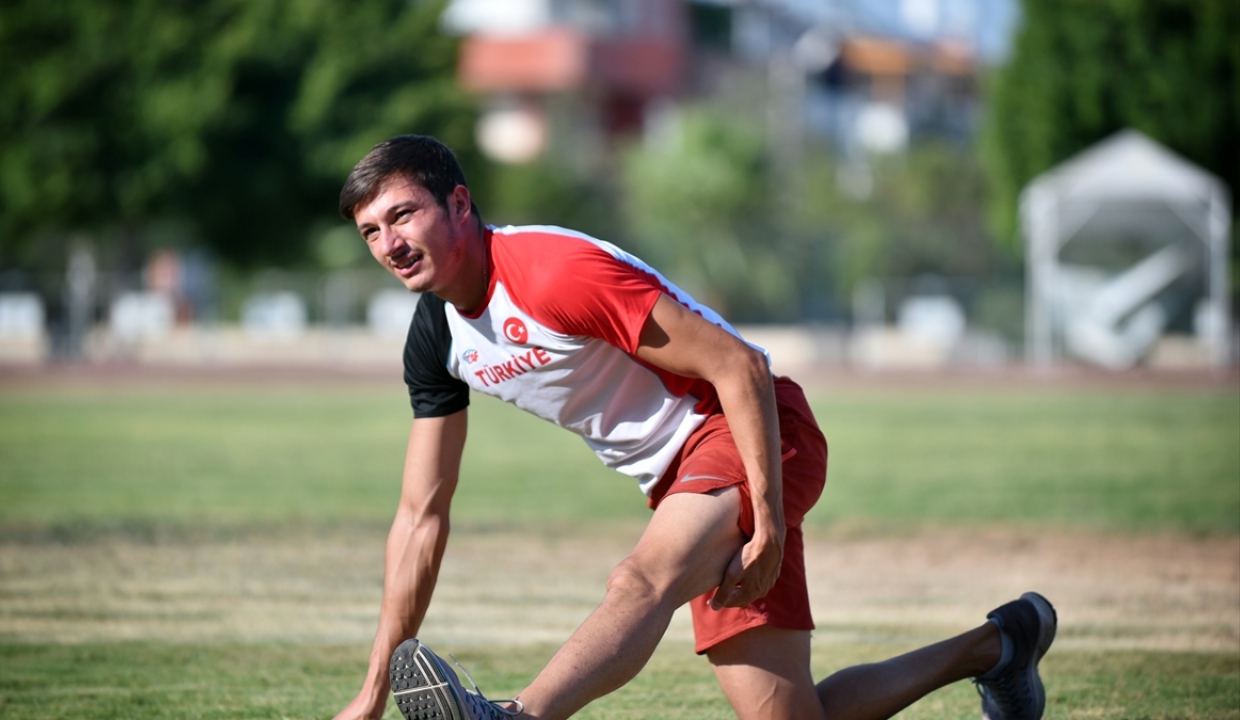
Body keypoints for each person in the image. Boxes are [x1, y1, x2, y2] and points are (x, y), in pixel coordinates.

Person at [331, 135, 1056, 720]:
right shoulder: (436, 337)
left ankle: (517, 717)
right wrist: (371, 696)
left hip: (752, 428)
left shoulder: (552, 272)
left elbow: (741, 366)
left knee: (639, 579)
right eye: (371, 231)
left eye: (403, 215)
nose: (389, 243)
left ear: (459, 203)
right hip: (683, 482)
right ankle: (1000, 646)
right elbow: (420, 517)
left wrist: (767, 525)